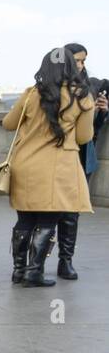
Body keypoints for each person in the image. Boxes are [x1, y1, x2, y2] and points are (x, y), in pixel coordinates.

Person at [2, 43, 97, 288]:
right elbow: (84, 137)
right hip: (59, 168)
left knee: (24, 220)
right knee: (47, 222)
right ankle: (34, 272)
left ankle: (18, 271)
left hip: (26, 164)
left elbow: (8, 124)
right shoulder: (82, 96)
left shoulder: (32, 93)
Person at [63, 75, 109, 279]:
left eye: (83, 60)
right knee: (47, 210)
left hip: (83, 156)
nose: (80, 64)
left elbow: (92, 132)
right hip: (58, 154)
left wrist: (101, 112)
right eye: (77, 60)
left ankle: (65, 260)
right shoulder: (58, 88)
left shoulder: (95, 85)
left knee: (73, 211)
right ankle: (35, 263)